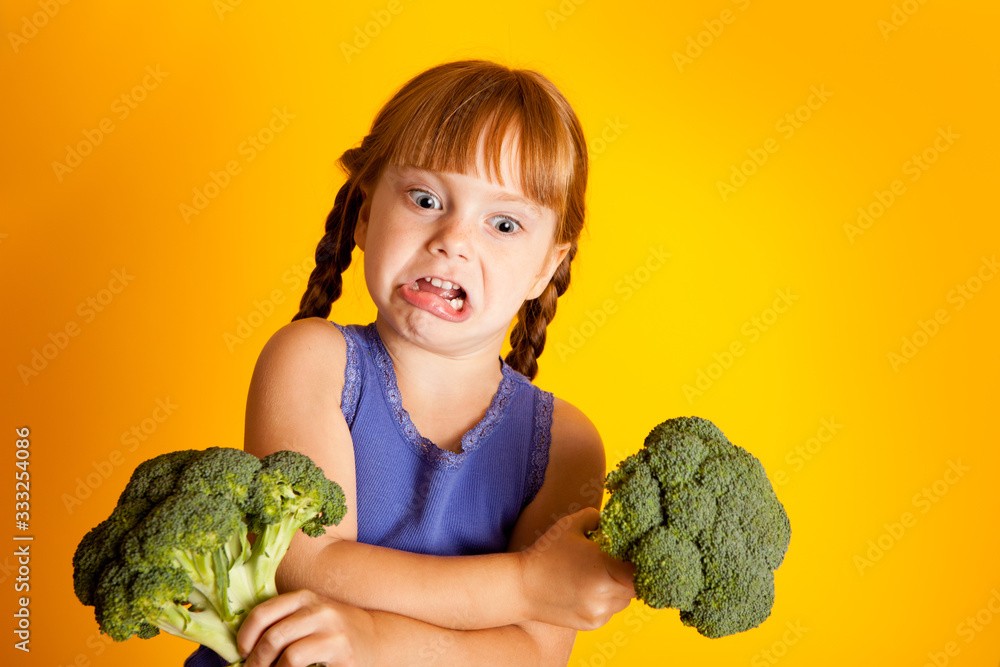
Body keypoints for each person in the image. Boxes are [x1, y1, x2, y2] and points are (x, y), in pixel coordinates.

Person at [186, 58, 635, 667]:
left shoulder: (566, 446)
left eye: (503, 223)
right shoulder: (312, 362)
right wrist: (525, 584)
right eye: (426, 199)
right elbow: (305, 564)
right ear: (366, 214)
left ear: (546, 269)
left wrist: (374, 642)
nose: (453, 239)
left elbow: (534, 652)